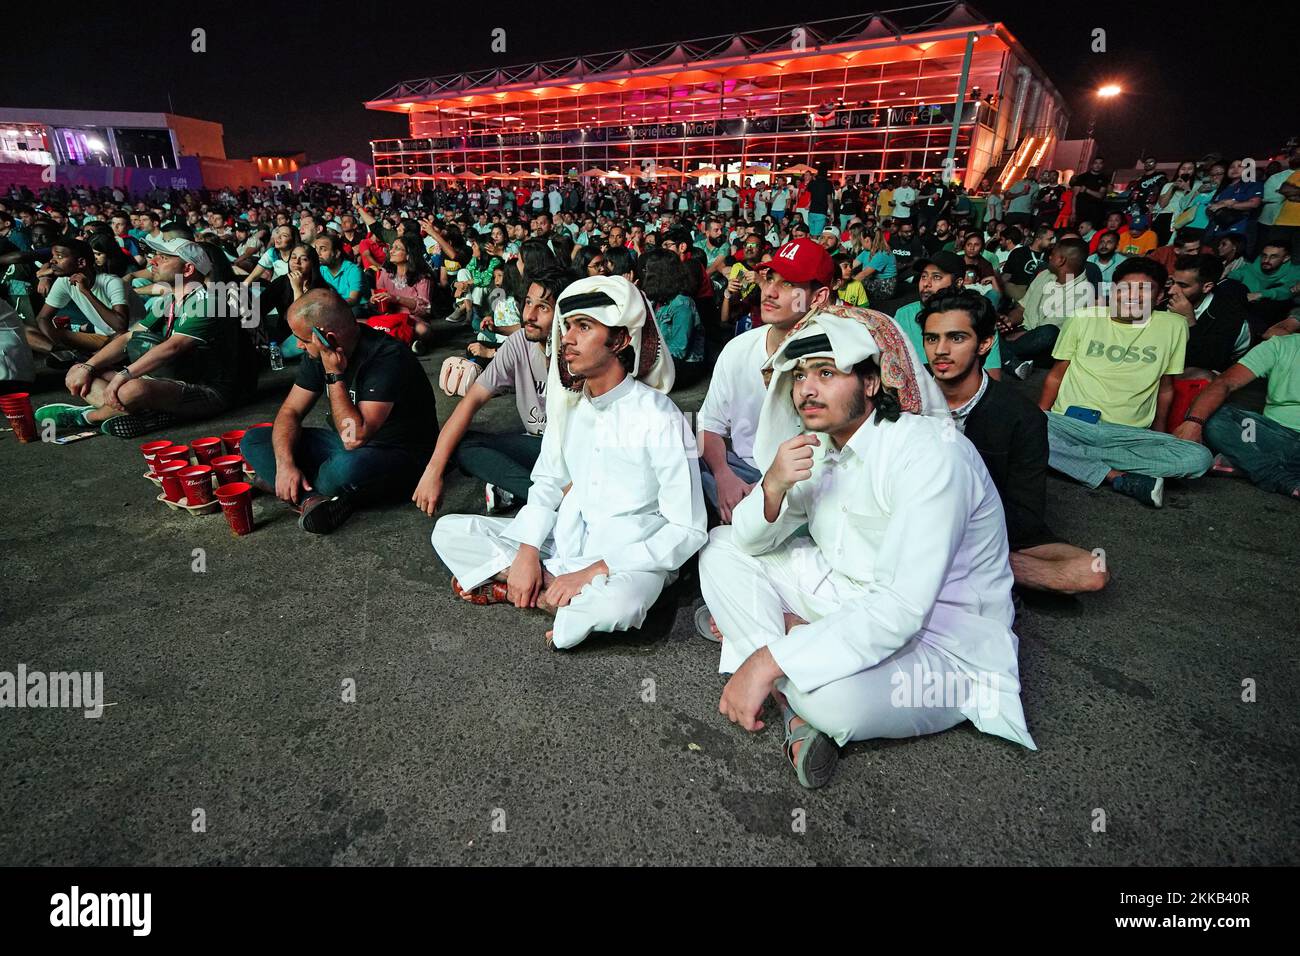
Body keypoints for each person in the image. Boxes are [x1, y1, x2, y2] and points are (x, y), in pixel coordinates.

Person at [700, 304, 1036, 790]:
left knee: (832, 701)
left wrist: (767, 659)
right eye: (798, 376)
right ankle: (789, 664)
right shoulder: (820, 446)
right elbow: (750, 541)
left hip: (941, 642)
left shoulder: (929, 453)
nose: (806, 390)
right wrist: (771, 486)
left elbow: (901, 607)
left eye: (826, 373)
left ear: (873, 383)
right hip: (847, 596)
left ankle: (772, 653)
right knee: (722, 546)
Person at [430, 275, 706, 650]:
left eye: (584, 327)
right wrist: (528, 551)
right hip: (564, 544)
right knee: (447, 531)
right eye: (568, 326)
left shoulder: (662, 417)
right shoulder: (571, 406)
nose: (568, 338)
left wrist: (592, 571)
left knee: (620, 604)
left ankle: (529, 590)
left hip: (624, 560)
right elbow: (546, 481)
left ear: (621, 339)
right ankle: (537, 586)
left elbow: (688, 529)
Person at [920, 291, 1108, 594]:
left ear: (984, 343)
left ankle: (949, 565)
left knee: (1091, 572)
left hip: (985, 527)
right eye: (932, 339)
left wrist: (964, 534)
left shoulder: (1023, 417)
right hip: (911, 515)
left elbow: (1026, 511)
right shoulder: (903, 396)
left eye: (956, 339)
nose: (940, 350)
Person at [241, 289, 440, 534]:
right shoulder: (315, 353)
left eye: (301, 339)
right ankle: (311, 500)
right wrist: (284, 464)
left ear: (327, 338)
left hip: (396, 454)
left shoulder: (387, 358)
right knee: (254, 440)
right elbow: (290, 411)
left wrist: (334, 375)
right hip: (342, 445)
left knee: (338, 472)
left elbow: (354, 437)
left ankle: (301, 489)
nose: (297, 345)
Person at [1036, 257, 1213, 508]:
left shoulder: (1174, 326)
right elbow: (1057, 374)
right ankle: (1115, 476)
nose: (1132, 296)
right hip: (1070, 422)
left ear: (1160, 295)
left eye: (1144, 290)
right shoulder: (1084, 318)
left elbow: (1165, 387)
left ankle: (1070, 457)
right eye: (1125, 288)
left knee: (1198, 458)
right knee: (1021, 425)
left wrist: (1159, 434)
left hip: (1128, 433)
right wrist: (1039, 414)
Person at [35, 236, 240, 439]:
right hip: (172, 378)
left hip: (208, 391)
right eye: (156, 256)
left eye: (164, 258)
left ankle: (88, 417)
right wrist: (88, 366)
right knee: (85, 375)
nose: (153, 261)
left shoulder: (208, 301)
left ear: (187, 270)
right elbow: (128, 336)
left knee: (132, 389)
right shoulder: (169, 299)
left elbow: (174, 347)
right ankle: (149, 412)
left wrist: (123, 376)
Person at [697, 237, 834, 522]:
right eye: (769, 278)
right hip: (744, 472)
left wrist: (772, 490)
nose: (769, 292)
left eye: (787, 284)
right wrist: (725, 478)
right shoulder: (737, 349)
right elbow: (709, 427)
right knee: (680, 456)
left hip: (808, 480)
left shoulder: (835, 358)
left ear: (818, 297)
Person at [412, 268, 569, 515]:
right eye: (528, 303)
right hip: (538, 446)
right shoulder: (519, 342)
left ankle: (534, 495)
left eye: (544, 308)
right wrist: (433, 471)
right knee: (462, 444)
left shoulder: (576, 350)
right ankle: (546, 499)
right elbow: (471, 401)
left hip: (571, 454)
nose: (530, 314)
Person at [1174, 333, 1300, 498]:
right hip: (1271, 437)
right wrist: (1193, 422)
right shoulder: (1281, 345)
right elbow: (1224, 382)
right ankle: (1274, 472)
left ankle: (1249, 463)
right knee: (1215, 416)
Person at [893, 251, 1002, 377]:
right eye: (923, 276)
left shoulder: (979, 316)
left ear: (958, 282)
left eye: (936, 277)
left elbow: (992, 377)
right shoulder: (903, 315)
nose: (926, 284)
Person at [29, 236, 133, 365]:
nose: (52, 261)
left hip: (129, 339)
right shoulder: (64, 281)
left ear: (81, 263)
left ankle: (88, 361)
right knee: (28, 330)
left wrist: (86, 292)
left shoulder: (112, 282)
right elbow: (43, 318)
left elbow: (120, 326)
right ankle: (69, 356)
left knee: (120, 336)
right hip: (102, 338)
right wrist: (59, 347)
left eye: (60, 257)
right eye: (53, 256)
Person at [999, 237, 1093, 378]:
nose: (1049, 256)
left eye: (1053, 254)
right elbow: (1022, 308)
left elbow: (1051, 332)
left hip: (1046, 345)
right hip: (1022, 333)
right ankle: (1010, 360)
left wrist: (1013, 336)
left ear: (1061, 260)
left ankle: (999, 351)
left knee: (1048, 333)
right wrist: (1009, 321)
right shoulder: (1045, 275)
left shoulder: (1083, 291)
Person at [1166, 254, 1249, 378]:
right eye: (1173, 282)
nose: (1171, 291)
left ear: (1207, 287)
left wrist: (1190, 321)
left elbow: (1208, 362)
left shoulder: (1230, 316)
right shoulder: (1165, 302)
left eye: (1183, 286)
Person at [636, 247, 705, 389]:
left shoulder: (682, 304)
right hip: (662, 359)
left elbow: (679, 350)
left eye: (647, 270)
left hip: (683, 366)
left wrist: (647, 357)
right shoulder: (657, 300)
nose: (644, 274)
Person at [313, 233, 364, 309]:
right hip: (333, 307)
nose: (318, 254)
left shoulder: (353, 270)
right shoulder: (321, 270)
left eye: (323, 249)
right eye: (316, 249)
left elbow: (353, 300)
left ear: (336, 253)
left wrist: (329, 305)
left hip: (357, 307)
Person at [1069, 155, 1109, 229]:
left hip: (1096, 211)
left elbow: (1100, 195)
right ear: (1091, 165)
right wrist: (1073, 212)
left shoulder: (1104, 178)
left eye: (1100, 163)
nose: (1097, 165)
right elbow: (1075, 196)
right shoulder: (1082, 177)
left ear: (1103, 165)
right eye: (1095, 163)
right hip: (1081, 210)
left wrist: (1087, 190)